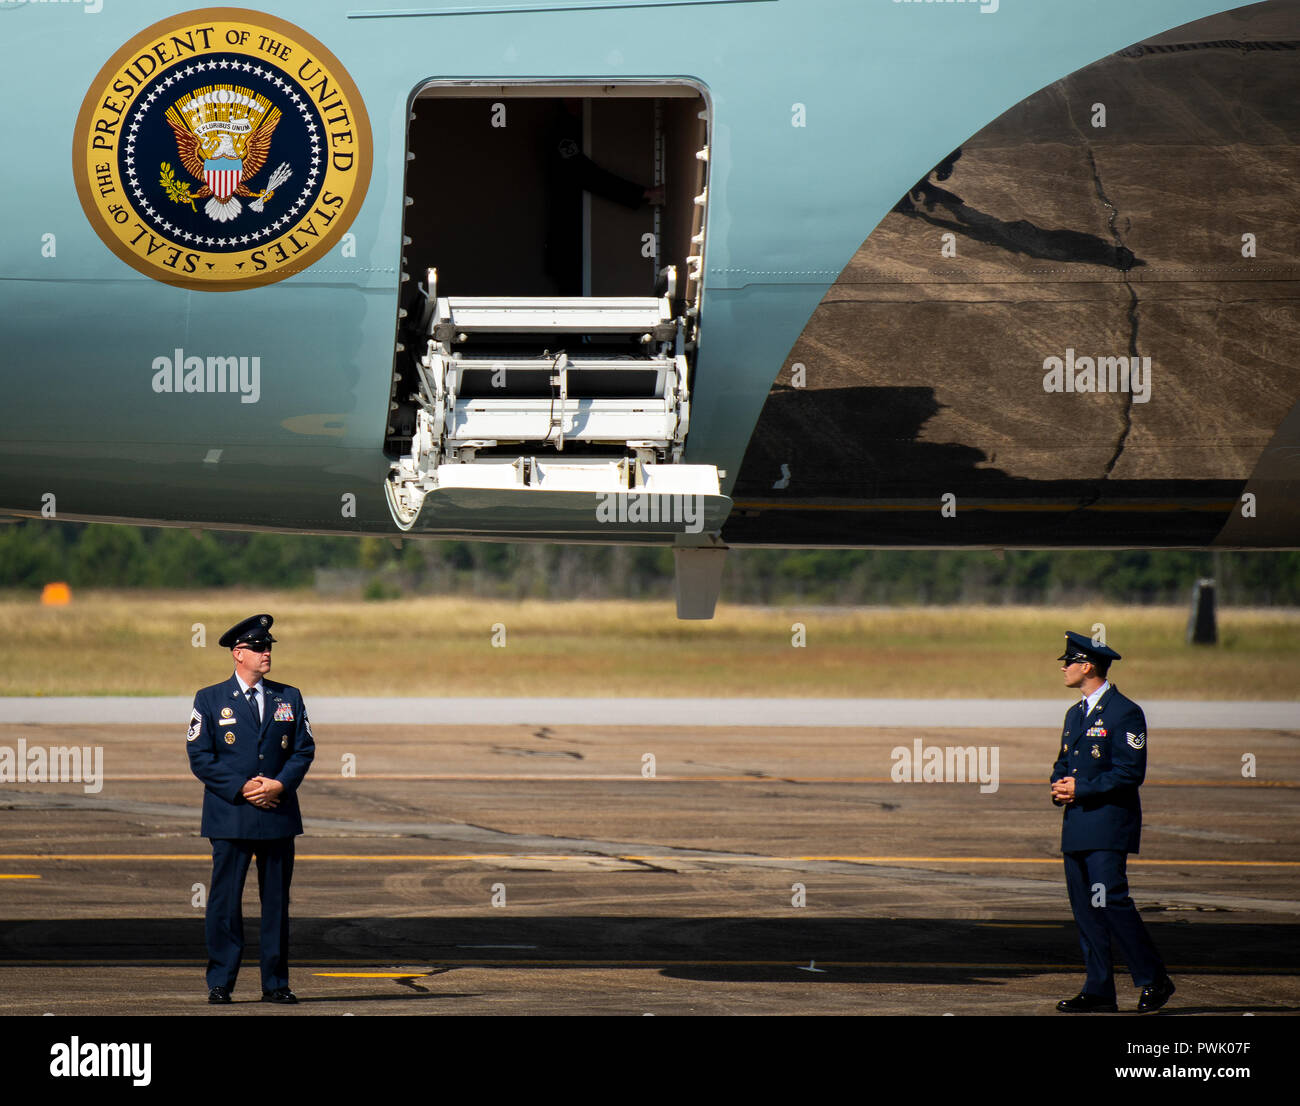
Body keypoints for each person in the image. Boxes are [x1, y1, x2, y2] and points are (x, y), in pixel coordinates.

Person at [186, 613, 315, 1005]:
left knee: (275, 904)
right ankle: (221, 981)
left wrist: (279, 784)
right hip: (231, 814)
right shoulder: (209, 699)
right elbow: (200, 755)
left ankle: (276, 983)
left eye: (269, 646)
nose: (266, 653)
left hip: (276, 813)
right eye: (258, 647)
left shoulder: (288, 696)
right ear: (237, 654)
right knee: (225, 902)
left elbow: (303, 748)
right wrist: (242, 787)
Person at [1050, 630, 1175, 1013]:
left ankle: (1155, 978)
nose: (1064, 669)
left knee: (1111, 903)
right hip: (1077, 827)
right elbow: (1064, 761)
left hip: (1107, 826)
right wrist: (1058, 784)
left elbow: (1129, 771)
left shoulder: (1125, 712)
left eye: (1068, 662)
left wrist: (1082, 789)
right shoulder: (1075, 714)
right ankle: (1099, 988)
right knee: (1086, 910)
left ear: (1087, 666)